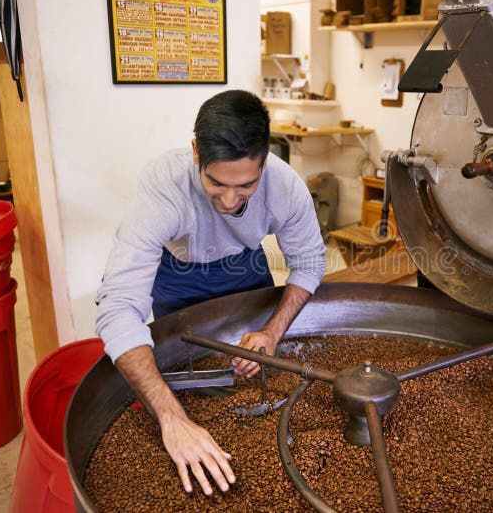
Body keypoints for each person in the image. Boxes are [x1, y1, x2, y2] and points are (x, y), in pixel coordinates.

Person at [95, 90, 326, 497]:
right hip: (178, 273)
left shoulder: (284, 184)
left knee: (255, 370)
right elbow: (118, 306)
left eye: (246, 185)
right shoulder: (163, 187)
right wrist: (172, 420)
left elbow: (308, 262)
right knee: (185, 372)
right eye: (216, 183)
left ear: (265, 160)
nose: (230, 201)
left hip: (246, 266)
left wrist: (271, 332)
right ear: (196, 153)